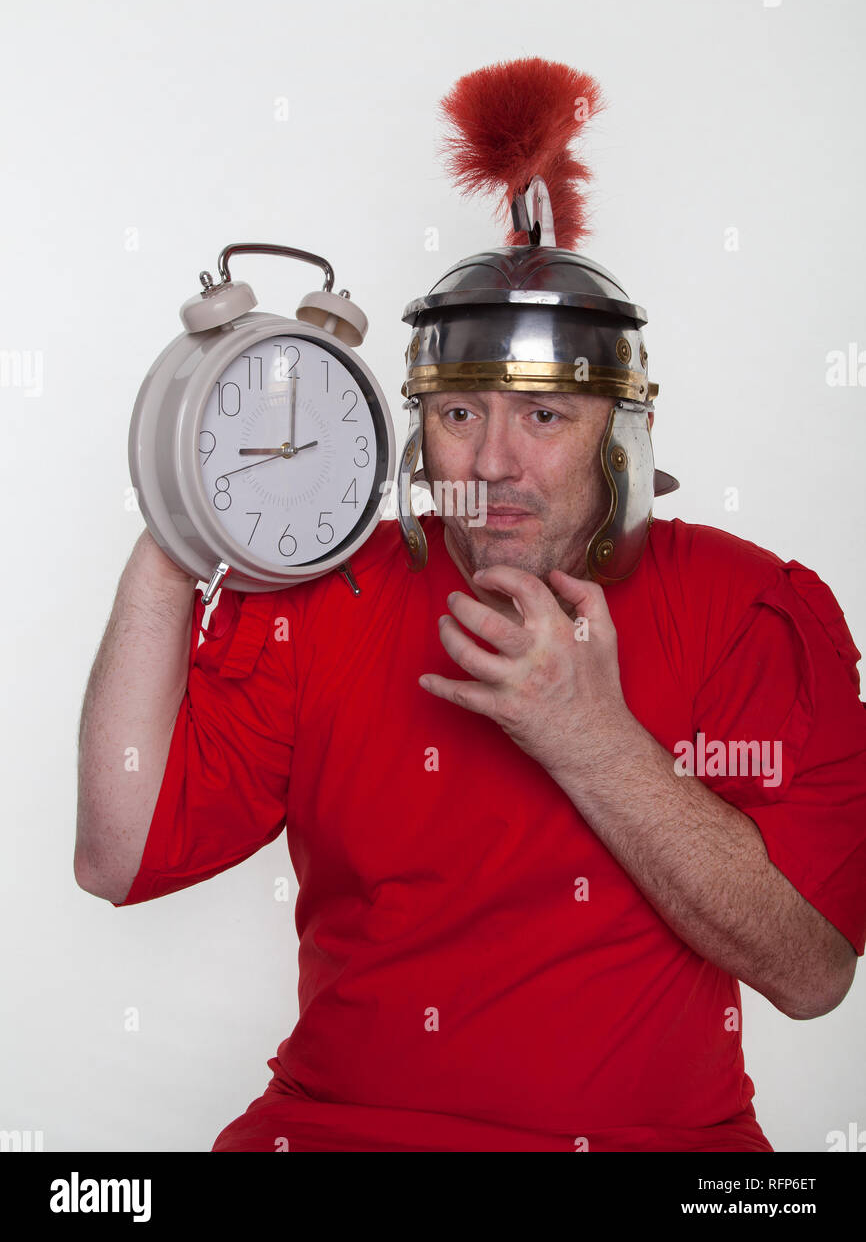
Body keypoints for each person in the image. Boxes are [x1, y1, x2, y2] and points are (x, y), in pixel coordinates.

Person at [75, 59, 866, 1152]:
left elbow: (812, 969)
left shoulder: (747, 610)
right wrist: (182, 525)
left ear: (619, 434)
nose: (491, 461)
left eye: (542, 420)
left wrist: (590, 742)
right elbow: (116, 855)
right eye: (458, 415)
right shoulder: (330, 596)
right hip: (342, 1132)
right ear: (411, 425)